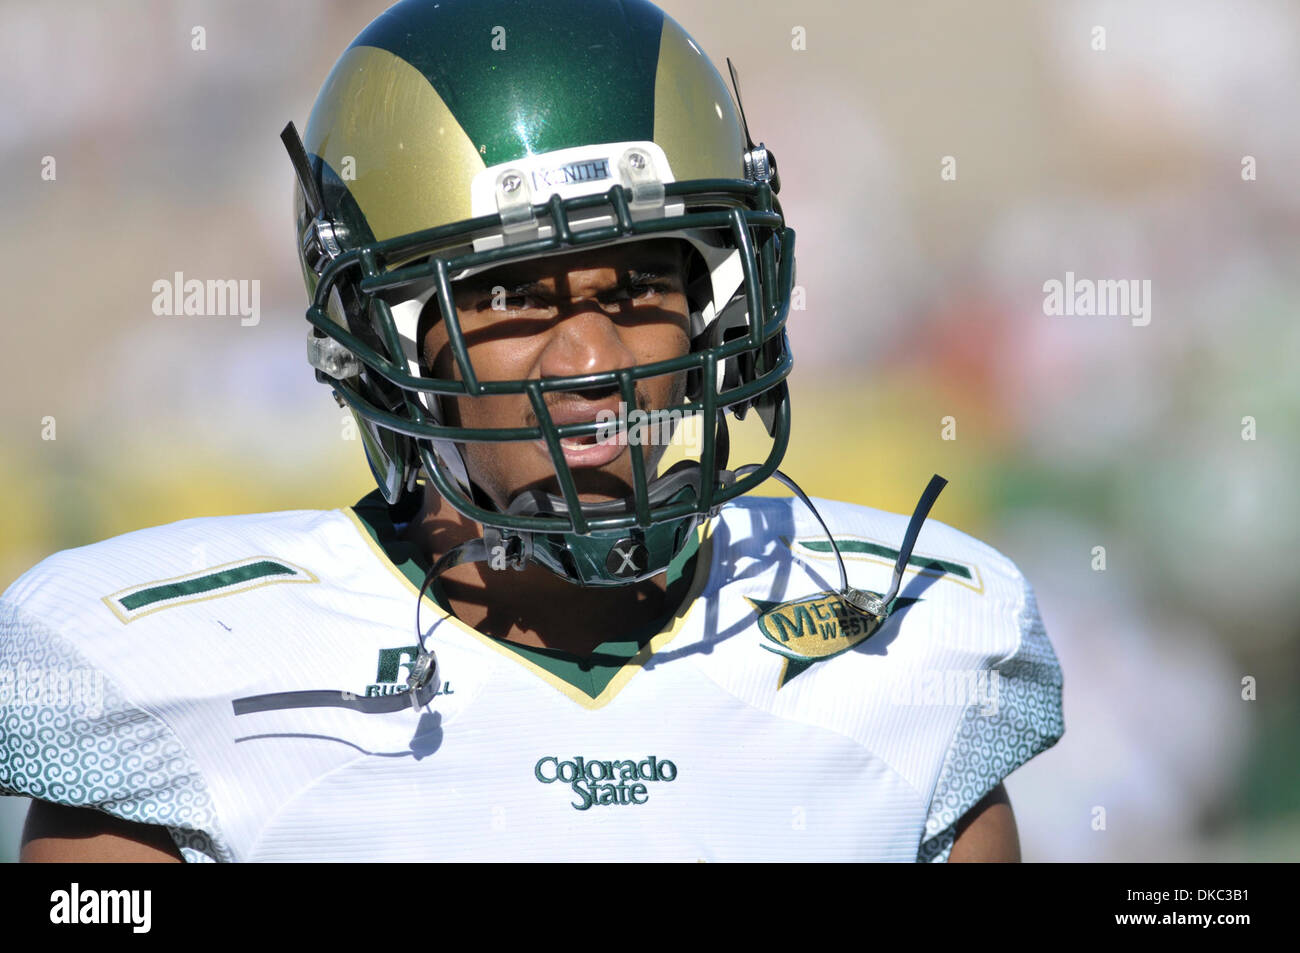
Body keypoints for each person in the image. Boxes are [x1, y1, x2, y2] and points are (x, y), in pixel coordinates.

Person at [2, 0, 1062, 862]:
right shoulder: (182, 675)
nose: (592, 360)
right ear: (384, 339)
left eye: (645, 283)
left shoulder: (911, 641)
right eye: (512, 300)